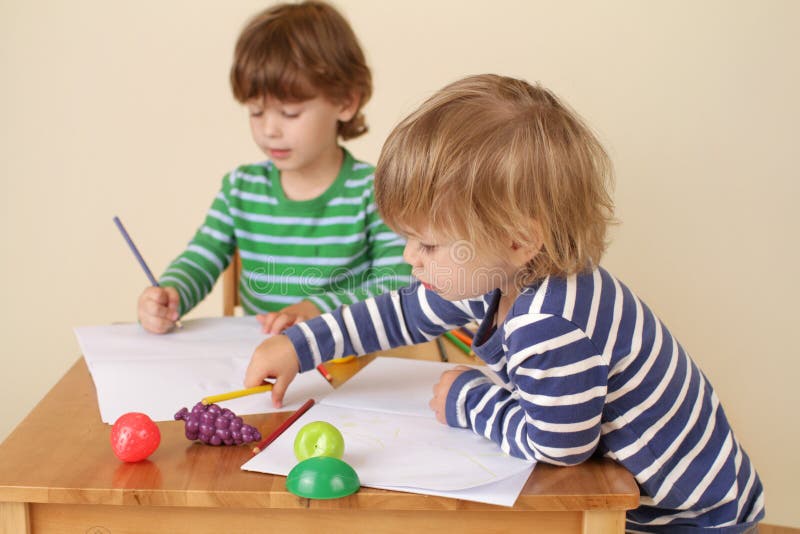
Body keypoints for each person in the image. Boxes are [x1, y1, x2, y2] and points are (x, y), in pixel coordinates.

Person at [244, 74, 765, 531]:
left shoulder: (552, 322)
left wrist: (468, 400)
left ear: (518, 241)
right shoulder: (495, 276)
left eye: (427, 244)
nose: (410, 258)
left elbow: (559, 448)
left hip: (687, 517)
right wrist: (300, 345)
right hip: (644, 500)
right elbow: (403, 312)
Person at [136, 1, 411, 335]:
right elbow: (201, 259)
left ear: (345, 102)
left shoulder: (374, 191)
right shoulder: (240, 189)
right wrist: (170, 294)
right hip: (262, 359)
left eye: (290, 113)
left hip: (348, 361)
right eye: (255, 111)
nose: (269, 130)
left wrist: (317, 310)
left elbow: (396, 284)